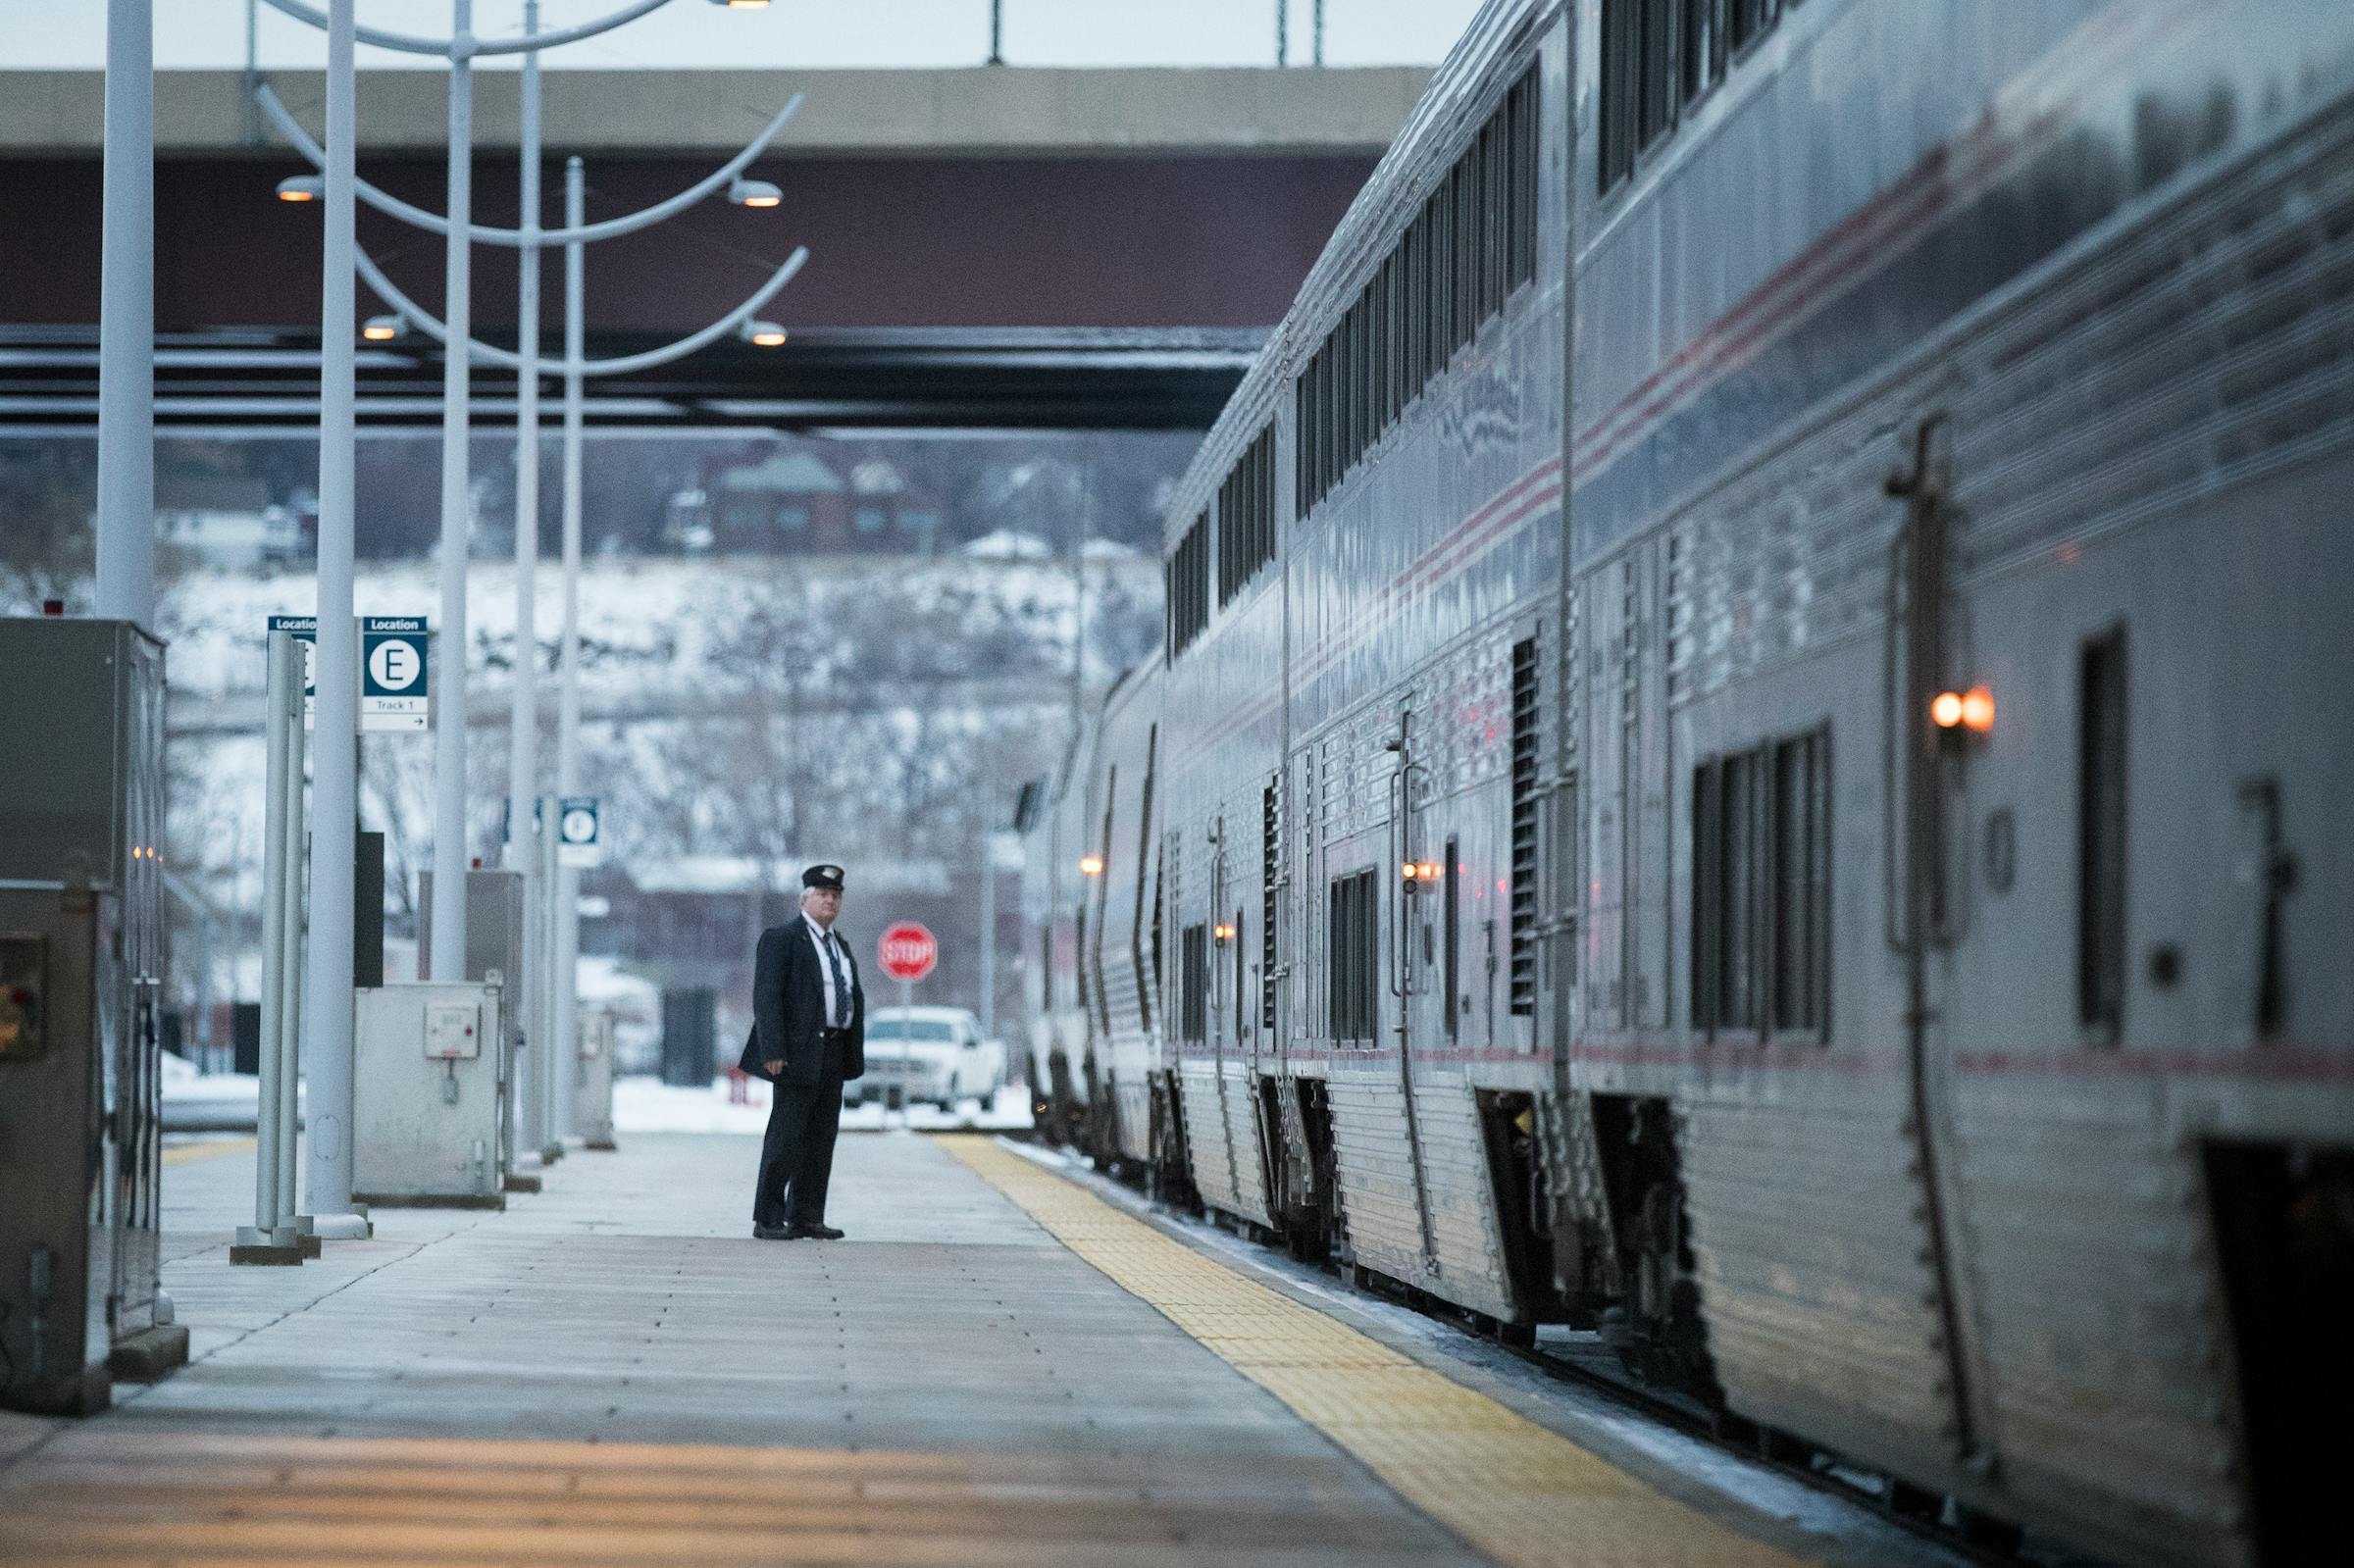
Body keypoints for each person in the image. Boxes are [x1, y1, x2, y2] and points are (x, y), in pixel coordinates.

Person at [739, 863, 865, 1239]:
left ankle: (807, 1215)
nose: (830, 900)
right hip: (795, 1053)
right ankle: (769, 1217)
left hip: (834, 1052)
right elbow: (767, 998)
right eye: (822, 894)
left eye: (836, 895)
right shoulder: (782, 939)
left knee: (821, 1137)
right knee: (786, 1135)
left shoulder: (839, 945)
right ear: (804, 899)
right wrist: (772, 1049)